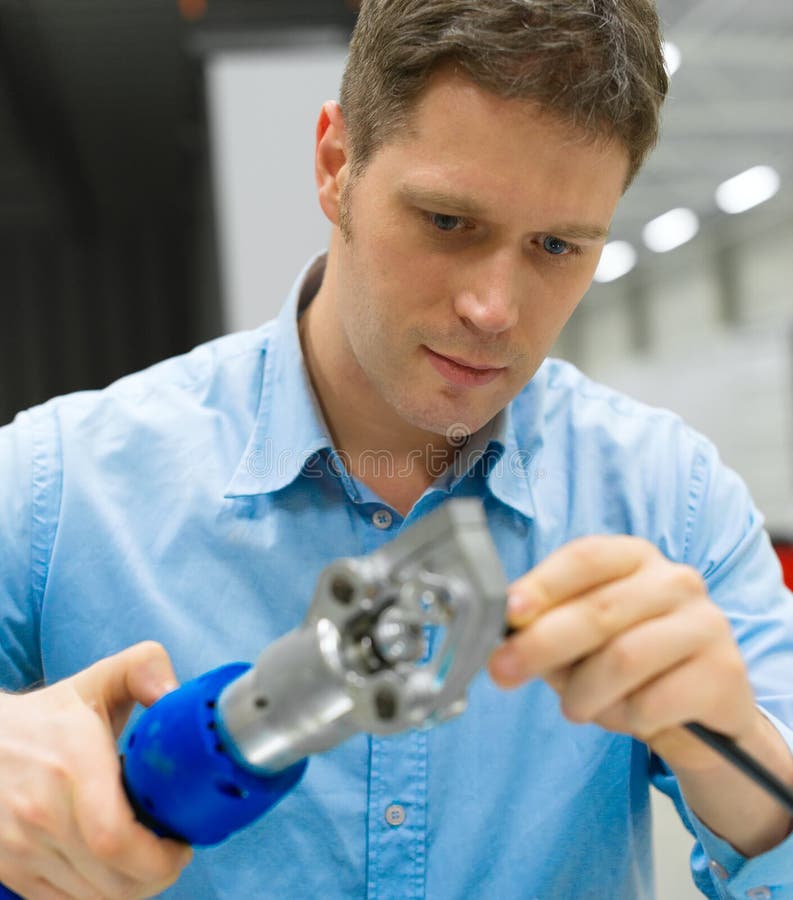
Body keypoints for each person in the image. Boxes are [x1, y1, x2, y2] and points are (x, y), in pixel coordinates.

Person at [0, 0, 792, 897]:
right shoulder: (54, 487)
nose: (493, 308)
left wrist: (734, 752)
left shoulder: (670, 501)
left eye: (556, 246)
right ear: (336, 166)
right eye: (448, 222)